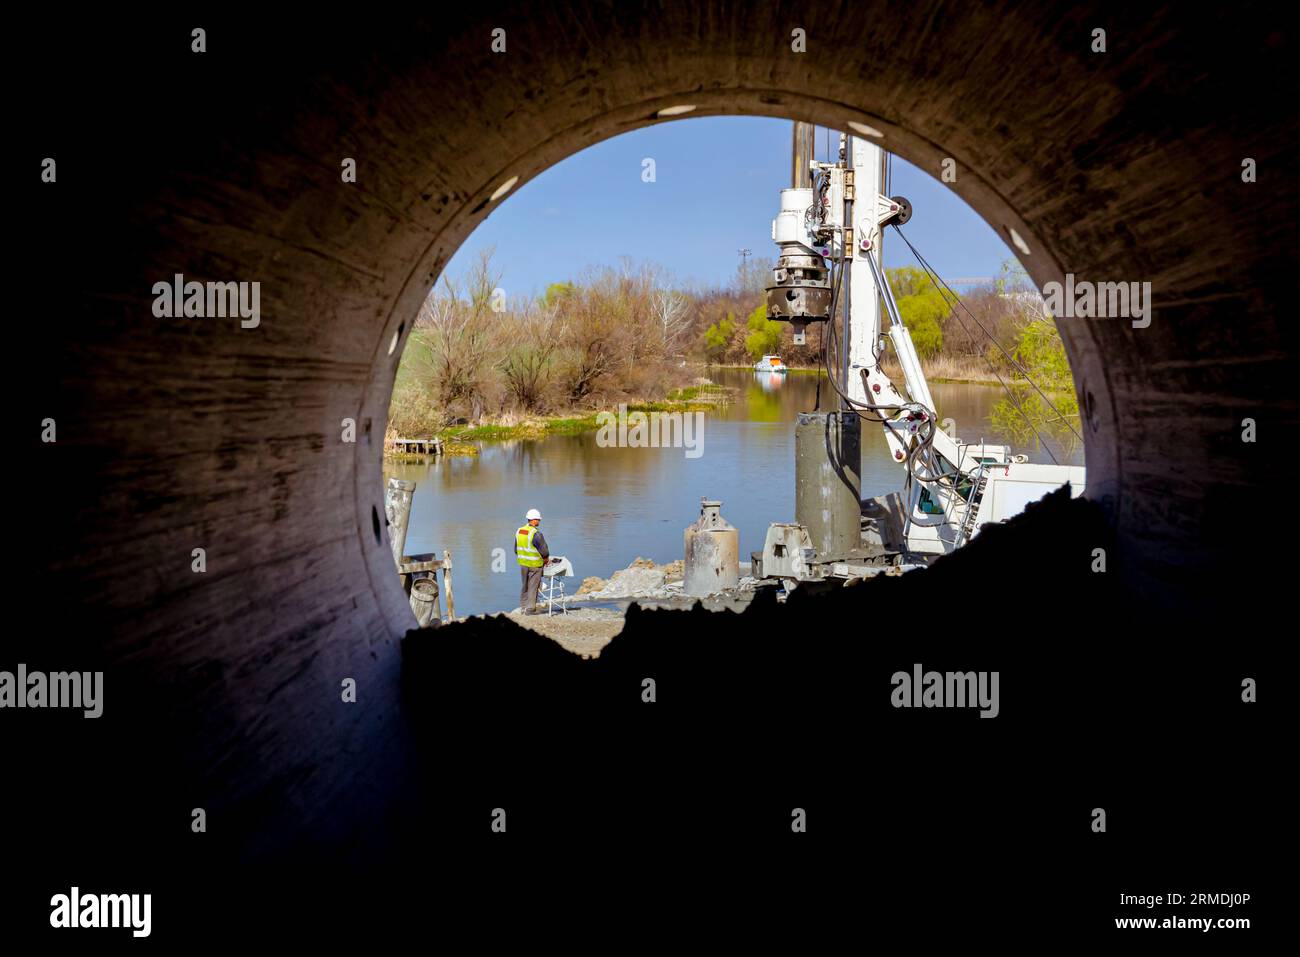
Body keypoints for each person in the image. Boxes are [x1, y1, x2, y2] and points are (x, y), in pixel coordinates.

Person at [515, 508, 551, 614]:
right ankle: (530, 609)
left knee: (525, 585)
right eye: (538, 519)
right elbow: (544, 551)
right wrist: (546, 560)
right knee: (533, 586)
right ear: (534, 520)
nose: (539, 521)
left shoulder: (519, 531)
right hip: (535, 565)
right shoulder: (536, 533)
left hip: (523, 564)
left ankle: (523, 607)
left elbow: (515, 549)